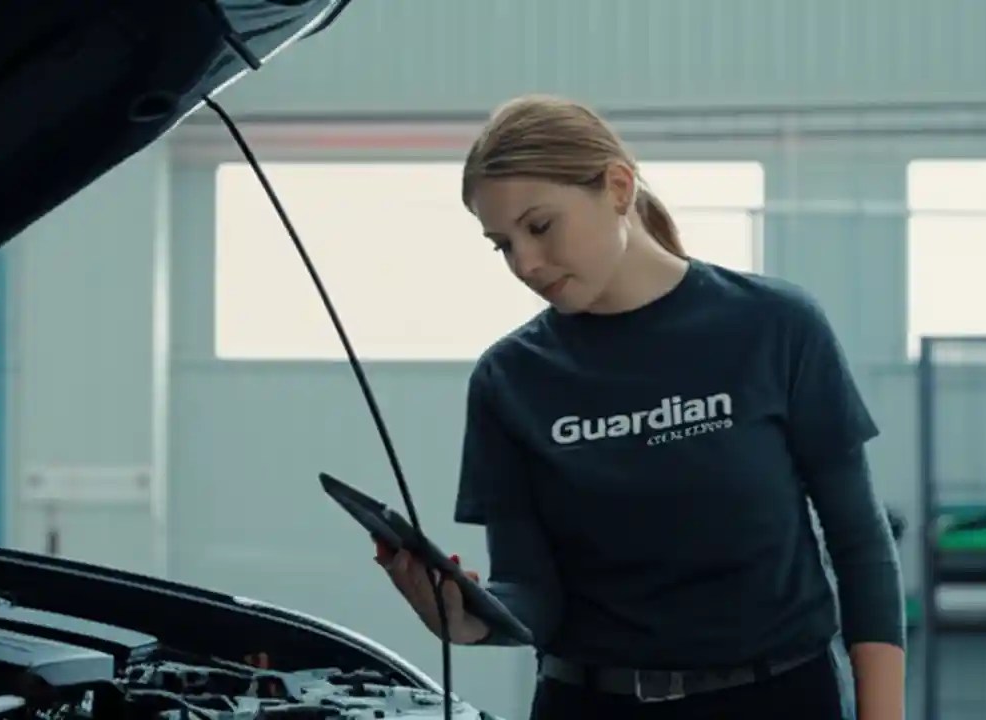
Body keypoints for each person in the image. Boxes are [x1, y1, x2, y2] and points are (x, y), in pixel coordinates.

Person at [376, 94, 905, 720]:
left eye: (539, 226)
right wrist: (468, 619)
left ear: (618, 187)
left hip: (781, 698)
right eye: (502, 245)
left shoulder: (776, 327)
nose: (525, 263)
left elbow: (860, 541)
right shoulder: (509, 378)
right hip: (589, 704)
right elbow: (532, 591)